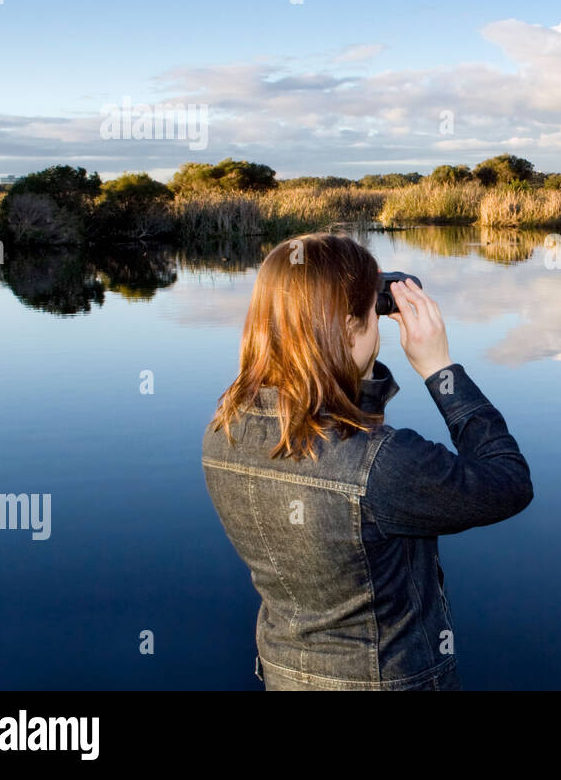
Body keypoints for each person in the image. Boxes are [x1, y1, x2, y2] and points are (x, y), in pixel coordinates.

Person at [202, 232, 532, 690]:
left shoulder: (225, 430)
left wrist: (352, 362)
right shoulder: (386, 463)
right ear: (346, 326)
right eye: (369, 314)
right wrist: (441, 370)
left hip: (285, 673)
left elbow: (338, 443)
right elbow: (508, 482)